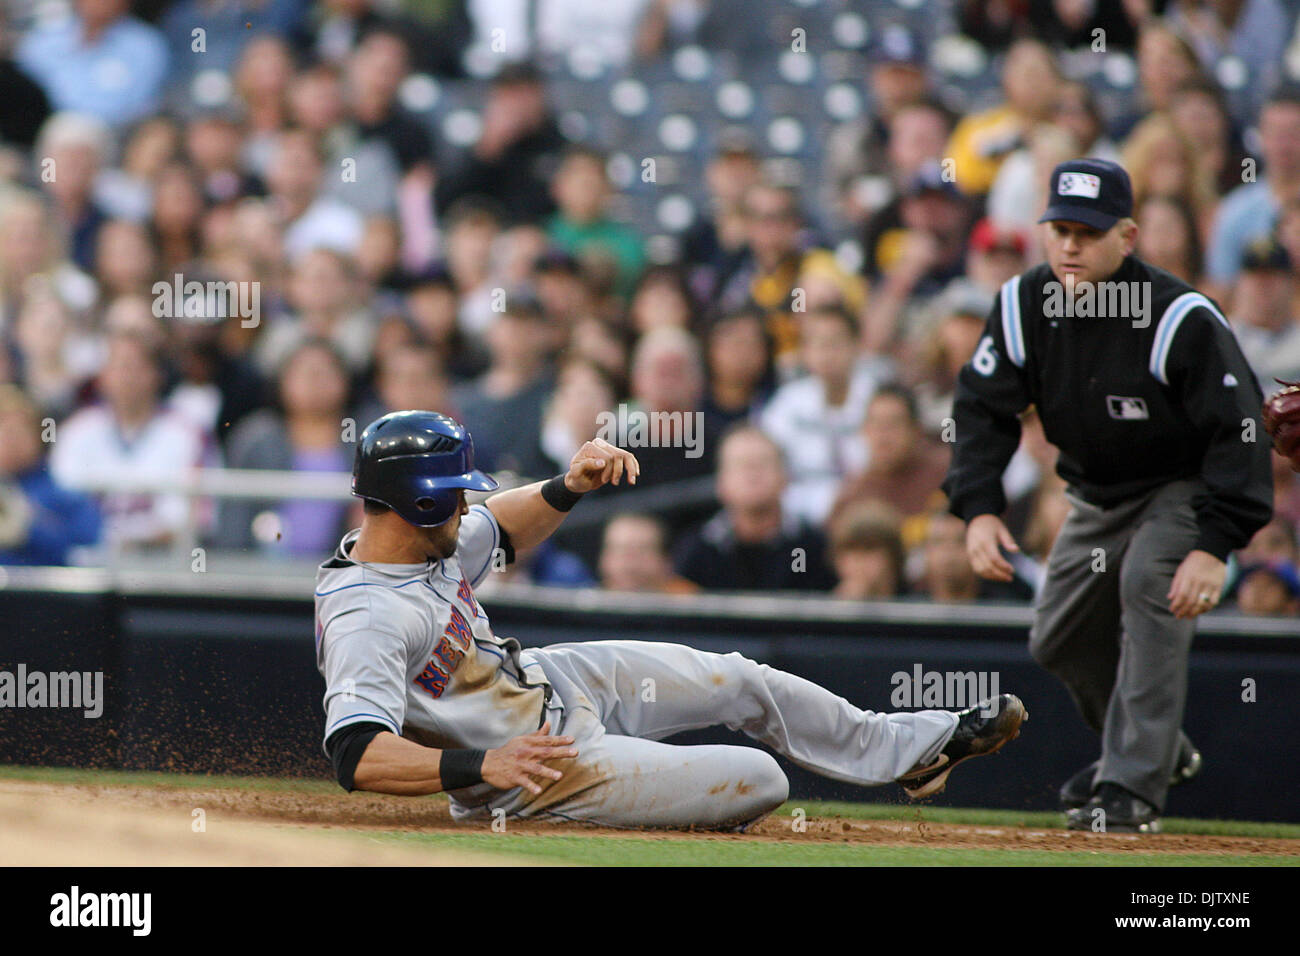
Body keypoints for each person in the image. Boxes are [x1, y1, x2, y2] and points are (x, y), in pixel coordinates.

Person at [314, 409, 1027, 828]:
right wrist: (484, 765)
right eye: (457, 494)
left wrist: (567, 485)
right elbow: (356, 753)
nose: (468, 504)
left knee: (739, 680)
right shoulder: (369, 615)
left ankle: (915, 749)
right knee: (759, 781)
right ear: (424, 504)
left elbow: (500, 526)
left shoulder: (417, 539)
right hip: (535, 770)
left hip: (549, 683)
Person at [943, 158, 1273, 833]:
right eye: (1059, 229)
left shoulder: (1179, 316)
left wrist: (1215, 544)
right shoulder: (1021, 305)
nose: (1070, 245)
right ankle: (1157, 750)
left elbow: (1239, 430)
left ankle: (1131, 792)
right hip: (1095, 494)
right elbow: (981, 409)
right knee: (1057, 637)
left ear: (1127, 236)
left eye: (1087, 233)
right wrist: (978, 508)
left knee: (1151, 578)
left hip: (1182, 486)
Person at [0, 385, 100, 565]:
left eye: (17, 431)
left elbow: (85, 551)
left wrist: (30, 529)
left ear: (38, 437)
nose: (9, 440)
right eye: (3, 431)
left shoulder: (66, 497)